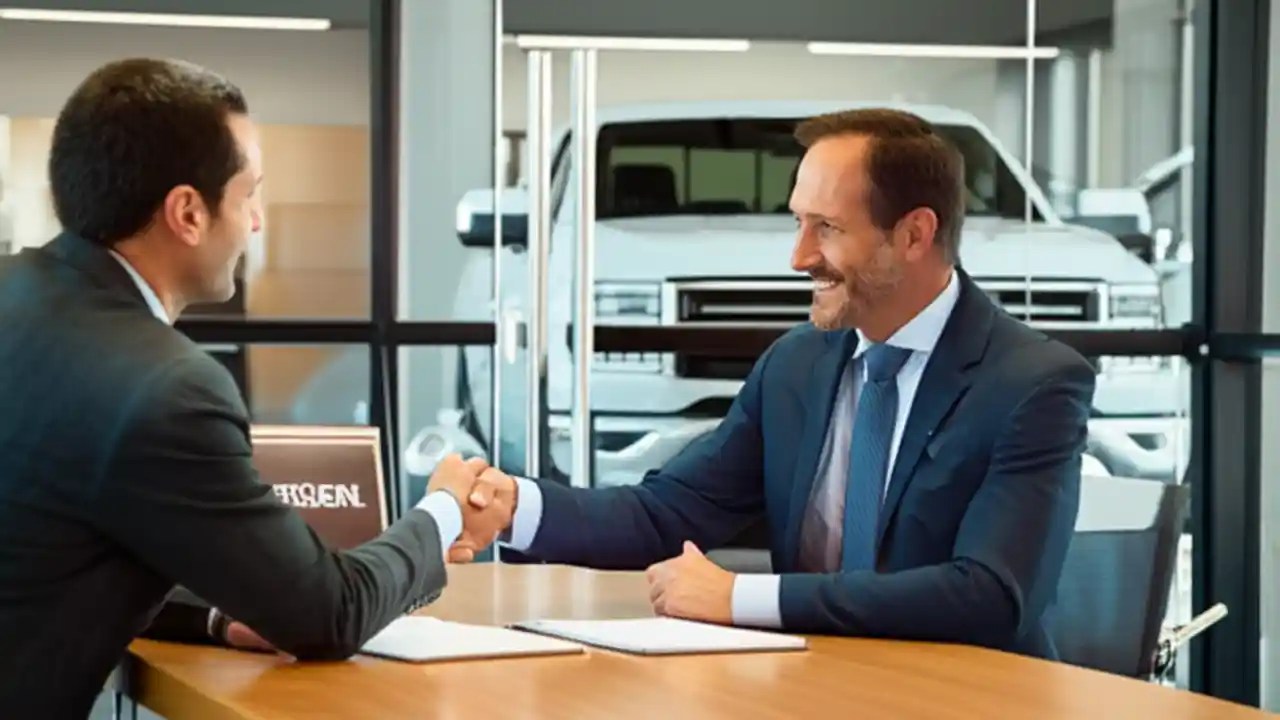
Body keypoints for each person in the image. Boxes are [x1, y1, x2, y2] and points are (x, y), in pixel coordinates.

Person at [458, 108, 1097, 659]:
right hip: (807, 689)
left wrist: (741, 596)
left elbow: (988, 596)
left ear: (914, 235)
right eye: (799, 223)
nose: (799, 257)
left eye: (827, 228)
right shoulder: (798, 364)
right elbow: (669, 512)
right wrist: (515, 506)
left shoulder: (1033, 384)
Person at [0, 58, 511, 718]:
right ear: (187, 212)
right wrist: (441, 514)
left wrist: (219, 615)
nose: (258, 222)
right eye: (249, 195)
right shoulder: (166, 390)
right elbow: (328, 611)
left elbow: (53, 548)